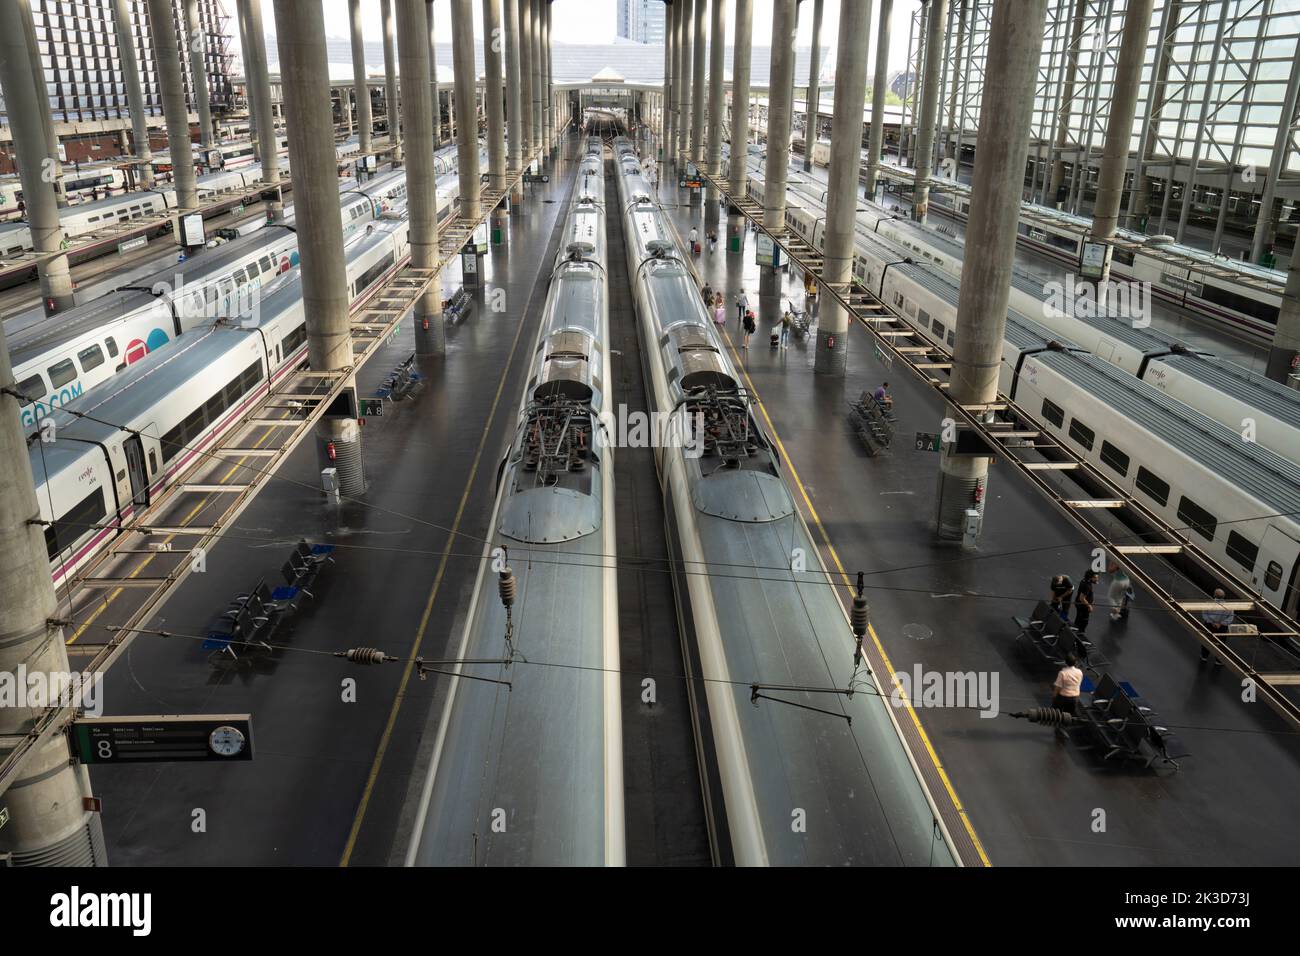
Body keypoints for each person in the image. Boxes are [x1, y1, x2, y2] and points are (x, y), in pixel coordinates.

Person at [1051, 654, 1083, 738]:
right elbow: (1078, 684)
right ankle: (1063, 727)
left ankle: (1058, 724)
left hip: (1063, 697)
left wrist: (1054, 696)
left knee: (1057, 710)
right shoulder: (1079, 672)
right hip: (1074, 697)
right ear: (1075, 662)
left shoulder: (1063, 673)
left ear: (1065, 662)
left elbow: (1058, 687)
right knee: (1068, 714)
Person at [1199, 588, 1231, 665]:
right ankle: (1218, 660)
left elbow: (1204, 615)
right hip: (1222, 627)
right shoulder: (1229, 606)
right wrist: (1220, 624)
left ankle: (1204, 656)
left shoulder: (1208, 603)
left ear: (1214, 595)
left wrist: (1212, 622)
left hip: (1209, 625)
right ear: (1223, 596)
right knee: (1220, 643)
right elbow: (1230, 618)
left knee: (1207, 641)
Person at [1074, 570, 1098, 636]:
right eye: (1095, 577)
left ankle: (1075, 630)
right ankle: (1079, 634)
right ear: (1090, 577)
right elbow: (1082, 598)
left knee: (1078, 618)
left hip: (1079, 604)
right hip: (1083, 607)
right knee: (1083, 621)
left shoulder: (1084, 580)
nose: (1097, 579)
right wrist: (1089, 606)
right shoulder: (1087, 586)